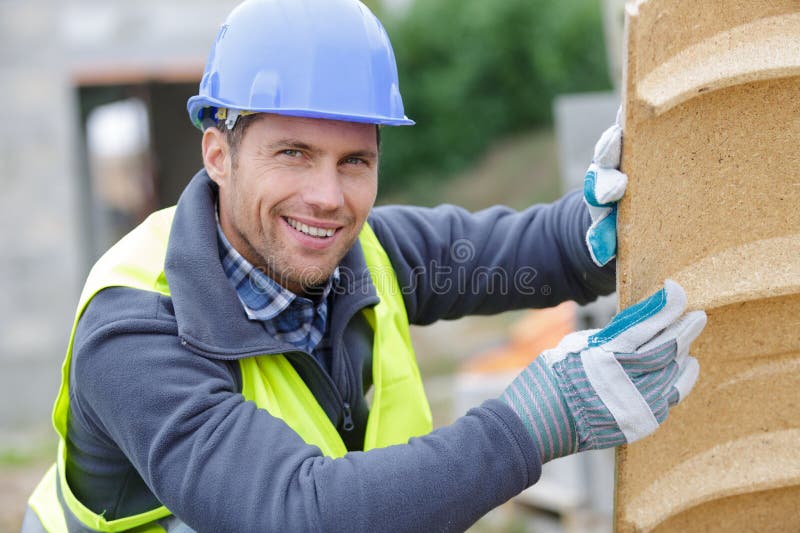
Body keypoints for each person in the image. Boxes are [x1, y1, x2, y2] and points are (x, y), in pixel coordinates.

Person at [23, 0, 706, 531]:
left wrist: (600, 228)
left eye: (354, 161)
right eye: (293, 153)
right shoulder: (134, 332)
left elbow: (530, 252)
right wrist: (536, 421)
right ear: (218, 155)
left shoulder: (365, 256)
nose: (327, 197)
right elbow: (296, 514)